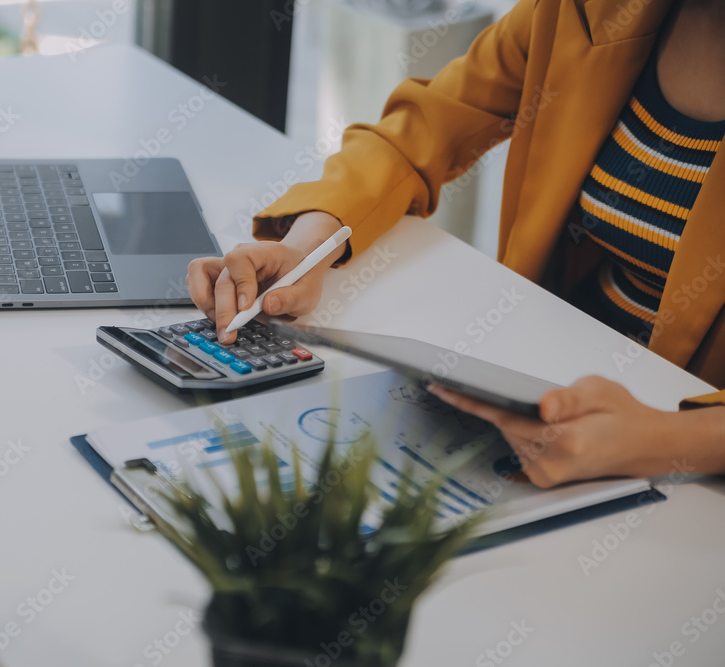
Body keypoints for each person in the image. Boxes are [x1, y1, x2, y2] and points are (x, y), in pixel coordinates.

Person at [186, 0, 725, 487]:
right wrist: (311, 241)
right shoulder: (584, 9)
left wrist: (661, 440)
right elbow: (424, 128)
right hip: (548, 377)